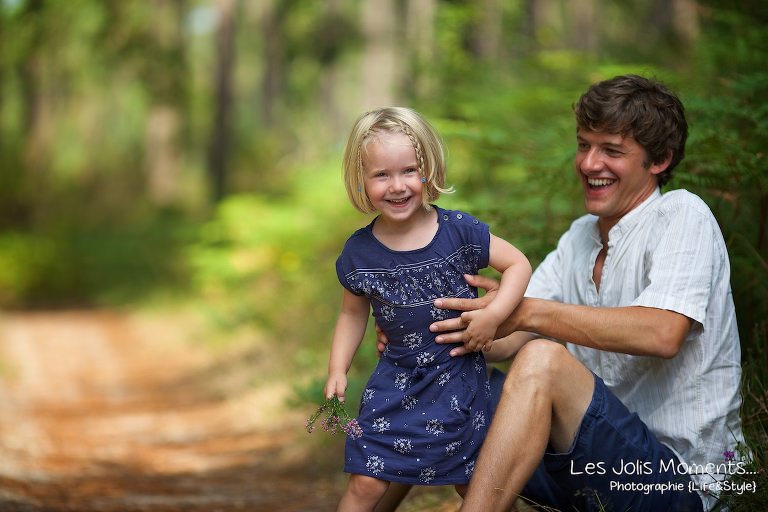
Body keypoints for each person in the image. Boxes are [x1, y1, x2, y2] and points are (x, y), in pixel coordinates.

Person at [377, 75, 744, 511]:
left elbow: (662, 333)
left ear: (659, 159)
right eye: (584, 145)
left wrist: (527, 311)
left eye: (611, 150)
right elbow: (506, 335)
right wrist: (423, 331)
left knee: (544, 362)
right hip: (585, 470)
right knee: (447, 380)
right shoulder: (579, 238)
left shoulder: (682, 215)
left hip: (676, 484)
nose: (590, 164)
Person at [324, 106, 532, 511]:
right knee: (366, 484)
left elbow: (518, 264)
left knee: (474, 489)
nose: (397, 186)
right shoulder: (359, 252)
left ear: (427, 171)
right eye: (381, 175)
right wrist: (337, 369)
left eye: (407, 171)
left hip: (458, 381)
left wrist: (492, 316)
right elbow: (352, 314)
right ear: (361, 181)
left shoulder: (460, 232)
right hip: (394, 385)